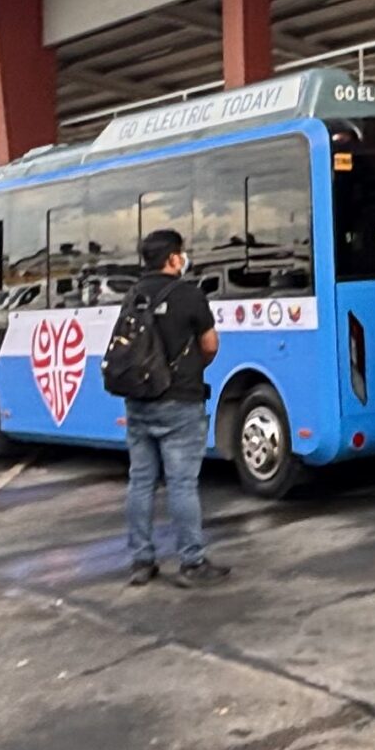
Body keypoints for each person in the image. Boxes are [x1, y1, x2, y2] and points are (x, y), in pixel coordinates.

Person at [124, 228, 230, 588]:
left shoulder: (133, 295)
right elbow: (210, 344)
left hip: (139, 400)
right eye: (181, 253)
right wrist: (193, 367)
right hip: (181, 400)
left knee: (140, 482)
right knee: (182, 484)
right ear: (172, 258)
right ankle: (191, 561)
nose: (184, 258)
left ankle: (142, 561)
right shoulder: (189, 295)